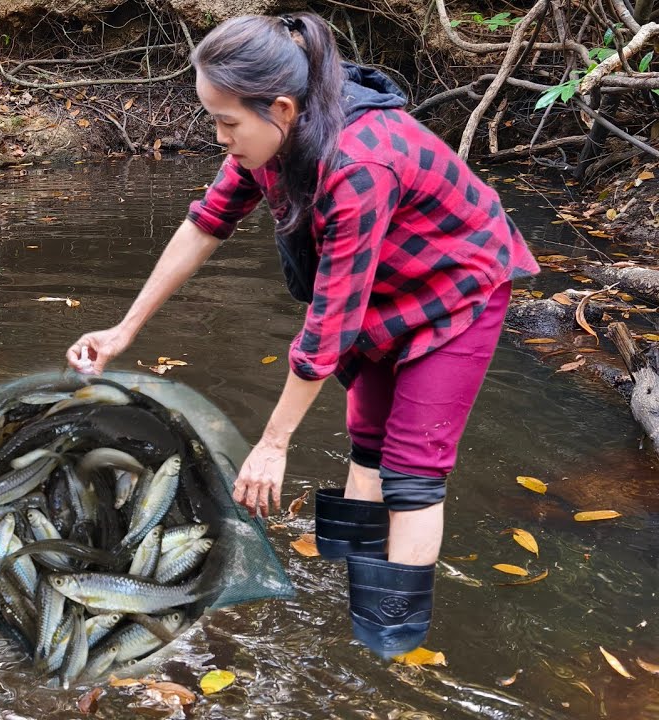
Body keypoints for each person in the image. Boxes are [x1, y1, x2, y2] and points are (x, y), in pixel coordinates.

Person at [66, 14, 538, 658]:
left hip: (456, 289)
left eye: (227, 122)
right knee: (368, 443)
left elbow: (326, 333)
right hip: (382, 292)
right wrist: (125, 328)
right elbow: (207, 223)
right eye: (213, 118)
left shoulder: (359, 165)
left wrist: (274, 444)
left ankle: (393, 647)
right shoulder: (273, 140)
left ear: (281, 109)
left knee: (414, 473)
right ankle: (354, 602)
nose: (219, 136)